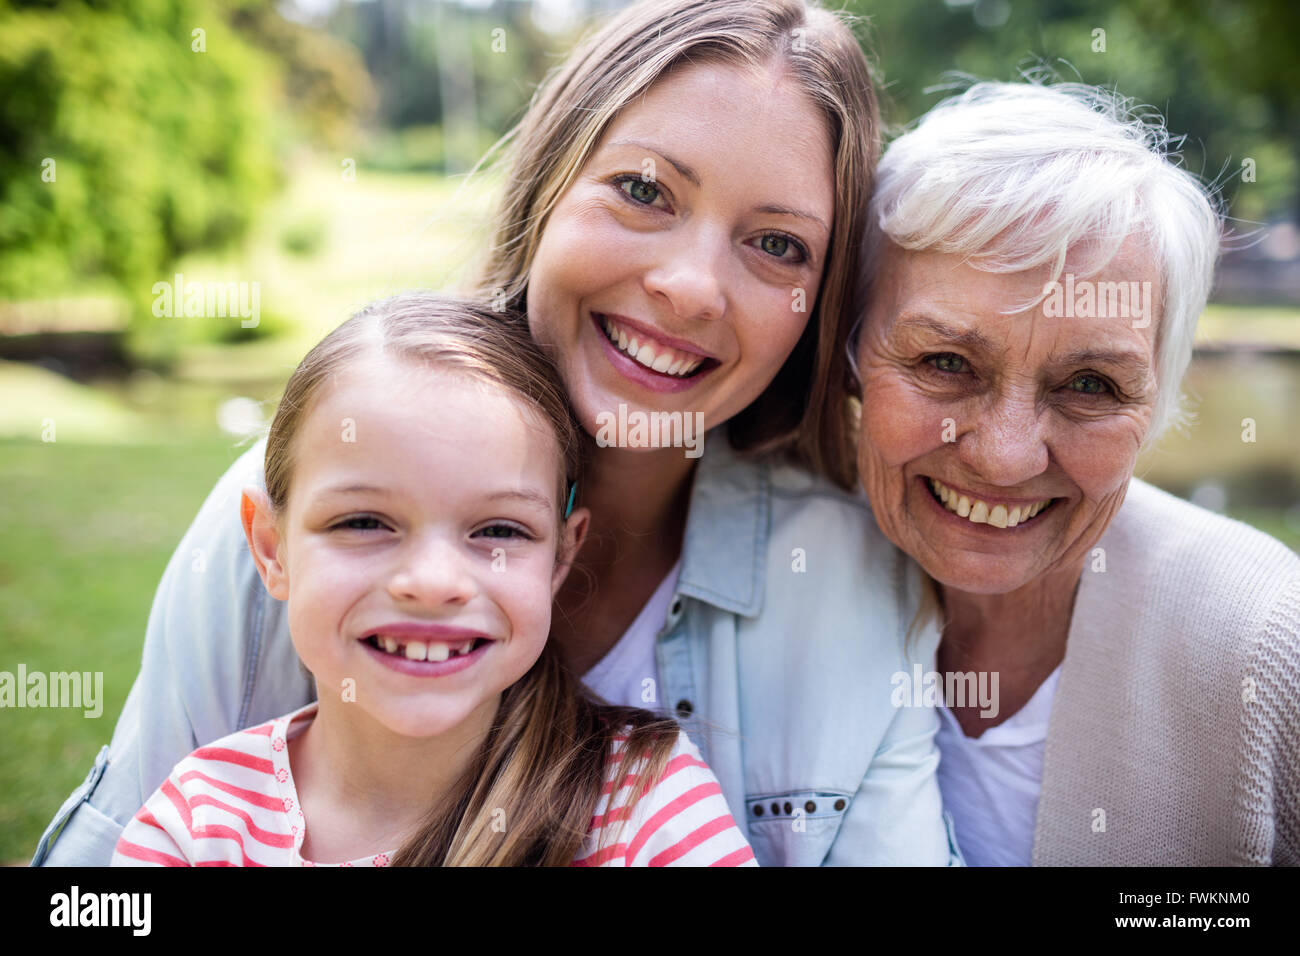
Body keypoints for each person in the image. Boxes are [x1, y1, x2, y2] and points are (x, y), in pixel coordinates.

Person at [35, 0, 960, 867]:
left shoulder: (852, 588)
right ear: (550, 188)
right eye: (644, 189)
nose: (691, 286)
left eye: (777, 244)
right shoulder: (291, 511)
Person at [111, 293, 754, 867]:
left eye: (499, 531)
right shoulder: (197, 826)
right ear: (271, 549)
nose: (433, 582)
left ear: (562, 556)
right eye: (364, 522)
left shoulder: (644, 808)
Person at [853, 80, 1300, 865]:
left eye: (1091, 385)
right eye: (945, 362)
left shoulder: (1265, 641)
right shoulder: (757, 566)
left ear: (1157, 404)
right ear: (850, 359)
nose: (1005, 454)